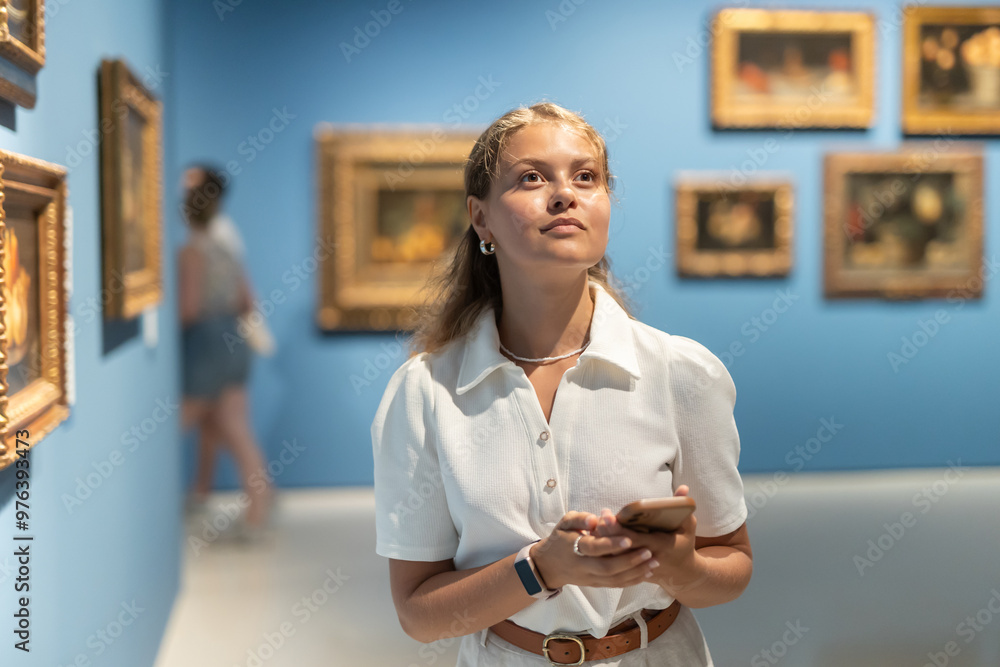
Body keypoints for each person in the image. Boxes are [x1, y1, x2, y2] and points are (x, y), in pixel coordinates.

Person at [371, 102, 752, 665]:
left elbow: (732, 565)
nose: (564, 194)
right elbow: (420, 615)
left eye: (586, 176)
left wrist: (682, 568)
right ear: (481, 219)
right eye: (531, 178)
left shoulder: (682, 373)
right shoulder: (425, 391)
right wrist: (541, 568)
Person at [178, 164, 273, 537]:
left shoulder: (192, 251)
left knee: (177, 424)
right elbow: (247, 300)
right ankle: (257, 510)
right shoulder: (228, 246)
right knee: (235, 429)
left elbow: (187, 309)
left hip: (206, 345)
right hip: (234, 340)